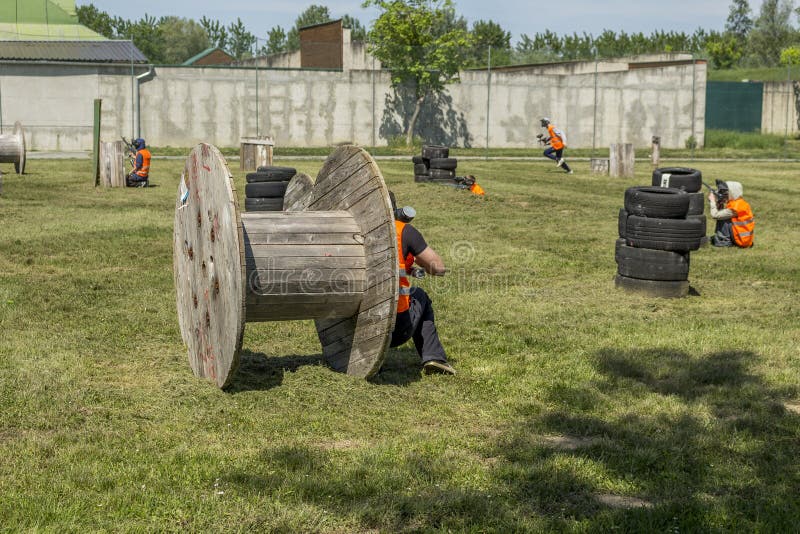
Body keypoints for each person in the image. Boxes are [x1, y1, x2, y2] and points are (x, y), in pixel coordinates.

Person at [389, 192, 456, 375]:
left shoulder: (349, 230)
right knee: (419, 295)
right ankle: (434, 357)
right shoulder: (403, 230)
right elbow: (439, 268)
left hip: (350, 320)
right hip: (392, 325)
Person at [708, 180, 754, 248]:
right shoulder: (738, 202)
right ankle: (725, 239)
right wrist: (720, 203)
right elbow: (721, 213)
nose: (724, 194)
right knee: (723, 215)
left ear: (732, 192)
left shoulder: (736, 207)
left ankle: (724, 242)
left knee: (723, 218)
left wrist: (712, 201)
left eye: (726, 192)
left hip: (741, 240)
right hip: (743, 238)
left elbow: (715, 215)